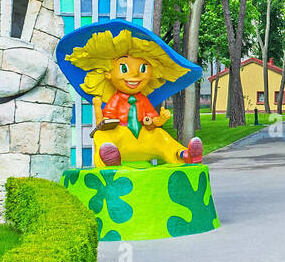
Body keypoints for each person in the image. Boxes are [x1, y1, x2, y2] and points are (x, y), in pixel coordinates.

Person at [65, 28, 203, 167]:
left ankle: (184, 155)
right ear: (108, 74)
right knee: (101, 136)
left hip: (143, 139)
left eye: (143, 69)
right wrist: (103, 117)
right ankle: (110, 159)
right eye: (124, 69)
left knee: (160, 135)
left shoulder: (142, 100)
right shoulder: (116, 99)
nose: (135, 74)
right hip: (121, 137)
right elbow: (107, 119)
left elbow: (150, 120)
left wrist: (157, 120)